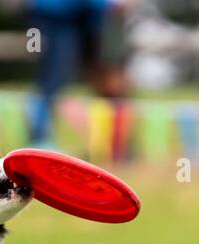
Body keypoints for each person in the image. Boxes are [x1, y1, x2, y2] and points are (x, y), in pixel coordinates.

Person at [27, 0, 129, 144]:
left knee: (107, 81)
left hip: (86, 19)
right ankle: (40, 138)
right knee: (51, 83)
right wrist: (107, 4)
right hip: (59, 18)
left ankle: (112, 140)